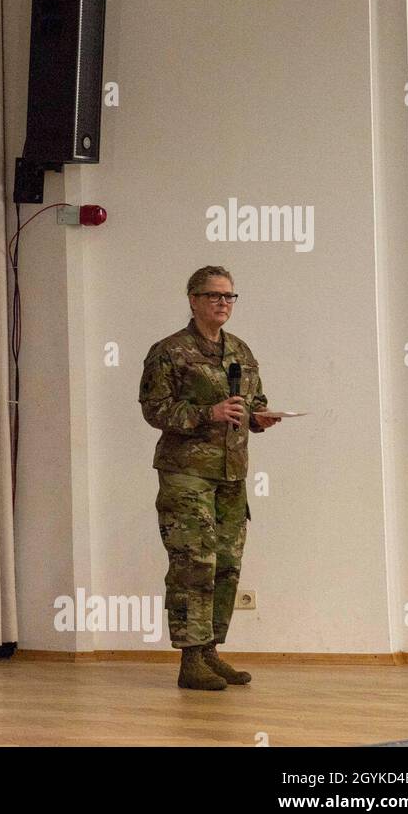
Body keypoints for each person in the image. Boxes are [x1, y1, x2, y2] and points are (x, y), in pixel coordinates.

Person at [138, 266, 281, 690]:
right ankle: (189, 659)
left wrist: (261, 417)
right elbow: (154, 409)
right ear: (193, 299)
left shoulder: (241, 350)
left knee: (227, 565)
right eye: (214, 295)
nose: (224, 303)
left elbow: (254, 402)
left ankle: (210, 651)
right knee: (192, 563)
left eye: (230, 296)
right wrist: (207, 413)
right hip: (187, 474)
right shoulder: (169, 351)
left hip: (231, 474)